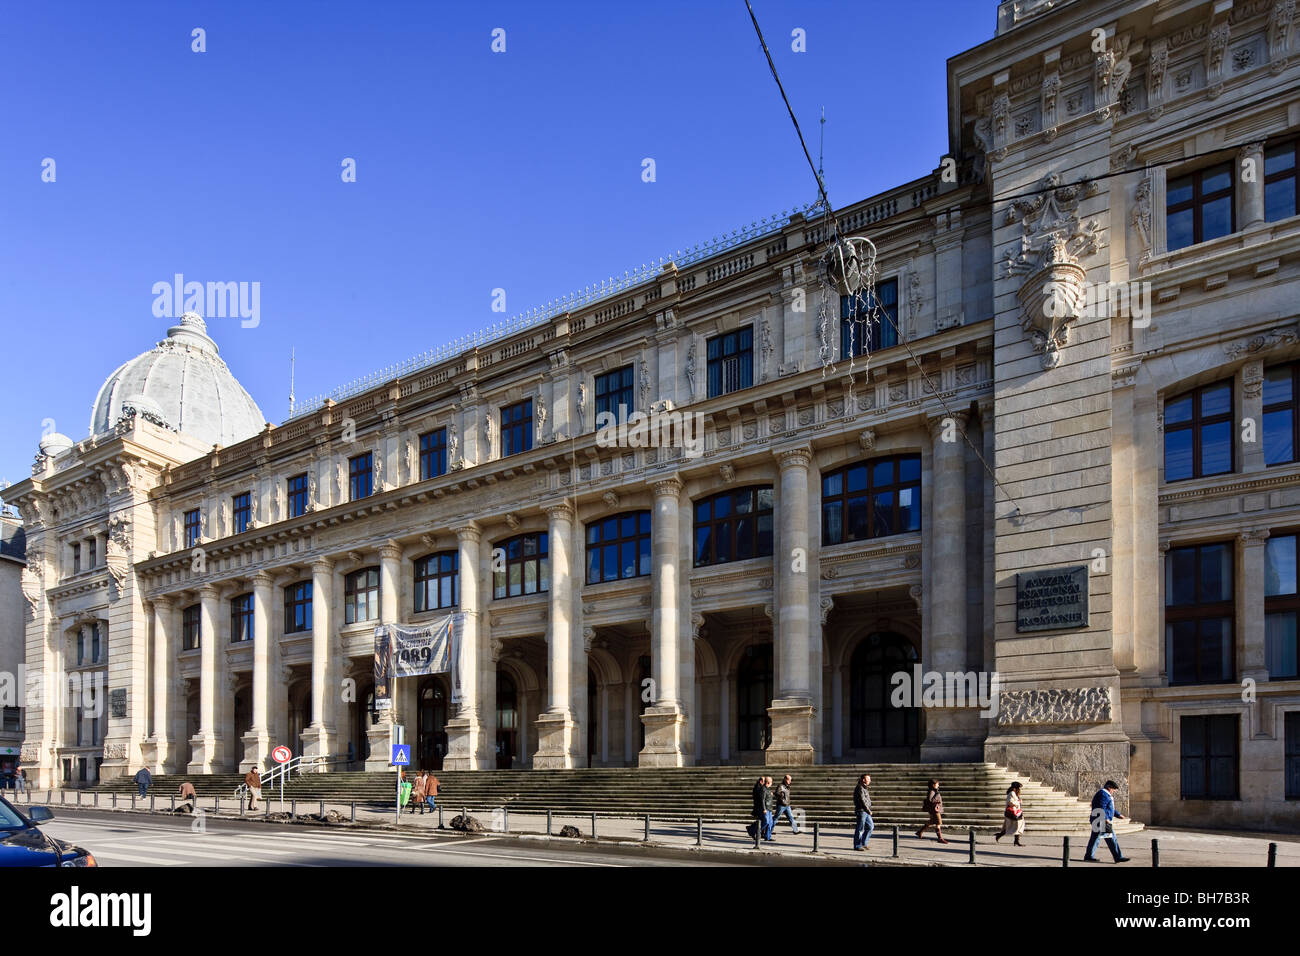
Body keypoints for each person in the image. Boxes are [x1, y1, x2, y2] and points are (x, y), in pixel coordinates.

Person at [1084, 780, 1131, 863]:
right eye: (1113, 789)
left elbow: (1109, 808)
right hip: (1101, 820)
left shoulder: (1105, 794)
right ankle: (1118, 857)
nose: (1114, 791)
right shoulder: (1103, 794)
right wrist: (1105, 819)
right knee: (1111, 838)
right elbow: (1101, 807)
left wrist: (1118, 814)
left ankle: (1089, 856)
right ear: (1109, 787)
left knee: (1095, 839)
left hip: (1098, 819)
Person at [916, 778, 948, 843]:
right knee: (938, 822)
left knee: (931, 822)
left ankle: (920, 832)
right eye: (937, 784)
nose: (938, 785)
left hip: (934, 809)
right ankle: (940, 838)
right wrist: (937, 800)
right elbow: (930, 800)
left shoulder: (934, 791)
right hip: (934, 810)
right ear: (933, 785)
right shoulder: (932, 791)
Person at [995, 781, 1025, 847]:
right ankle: (1016, 841)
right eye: (1019, 788)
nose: (1020, 789)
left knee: (1012, 826)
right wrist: (1018, 802)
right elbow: (1010, 802)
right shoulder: (1011, 793)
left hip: (1016, 812)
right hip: (1013, 813)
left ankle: (1000, 835)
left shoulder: (1014, 793)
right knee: (1016, 826)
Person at [853, 774, 874, 851]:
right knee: (860, 829)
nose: (870, 780)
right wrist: (868, 810)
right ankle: (857, 845)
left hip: (866, 811)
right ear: (863, 780)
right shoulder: (859, 788)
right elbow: (862, 801)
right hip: (862, 811)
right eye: (868, 779)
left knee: (870, 827)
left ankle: (864, 843)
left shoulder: (865, 787)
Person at [746, 775, 766, 840]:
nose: (765, 782)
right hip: (759, 807)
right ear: (761, 781)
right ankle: (752, 830)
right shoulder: (758, 788)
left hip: (759, 807)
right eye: (764, 781)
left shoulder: (760, 787)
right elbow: (760, 798)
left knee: (761, 820)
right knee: (763, 820)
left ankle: (754, 830)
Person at [761, 776, 776, 841]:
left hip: (769, 808)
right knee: (766, 822)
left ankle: (768, 837)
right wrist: (764, 808)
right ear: (768, 782)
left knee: (770, 823)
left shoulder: (768, 789)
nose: (772, 783)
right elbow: (762, 800)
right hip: (766, 809)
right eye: (771, 782)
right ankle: (755, 831)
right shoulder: (764, 789)